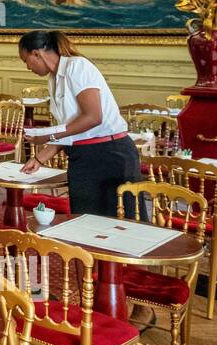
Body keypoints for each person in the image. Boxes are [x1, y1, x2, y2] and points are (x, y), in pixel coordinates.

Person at [18, 30, 141, 217]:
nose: (27, 67)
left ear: (37, 53)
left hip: (109, 154)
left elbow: (93, 117)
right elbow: (69, 128)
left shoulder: (77, 67)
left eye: (25, 60)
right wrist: (39, 158)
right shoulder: (54, 79)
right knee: (85, 221)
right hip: (82, 157)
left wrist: (48, 135)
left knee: (118, 224)